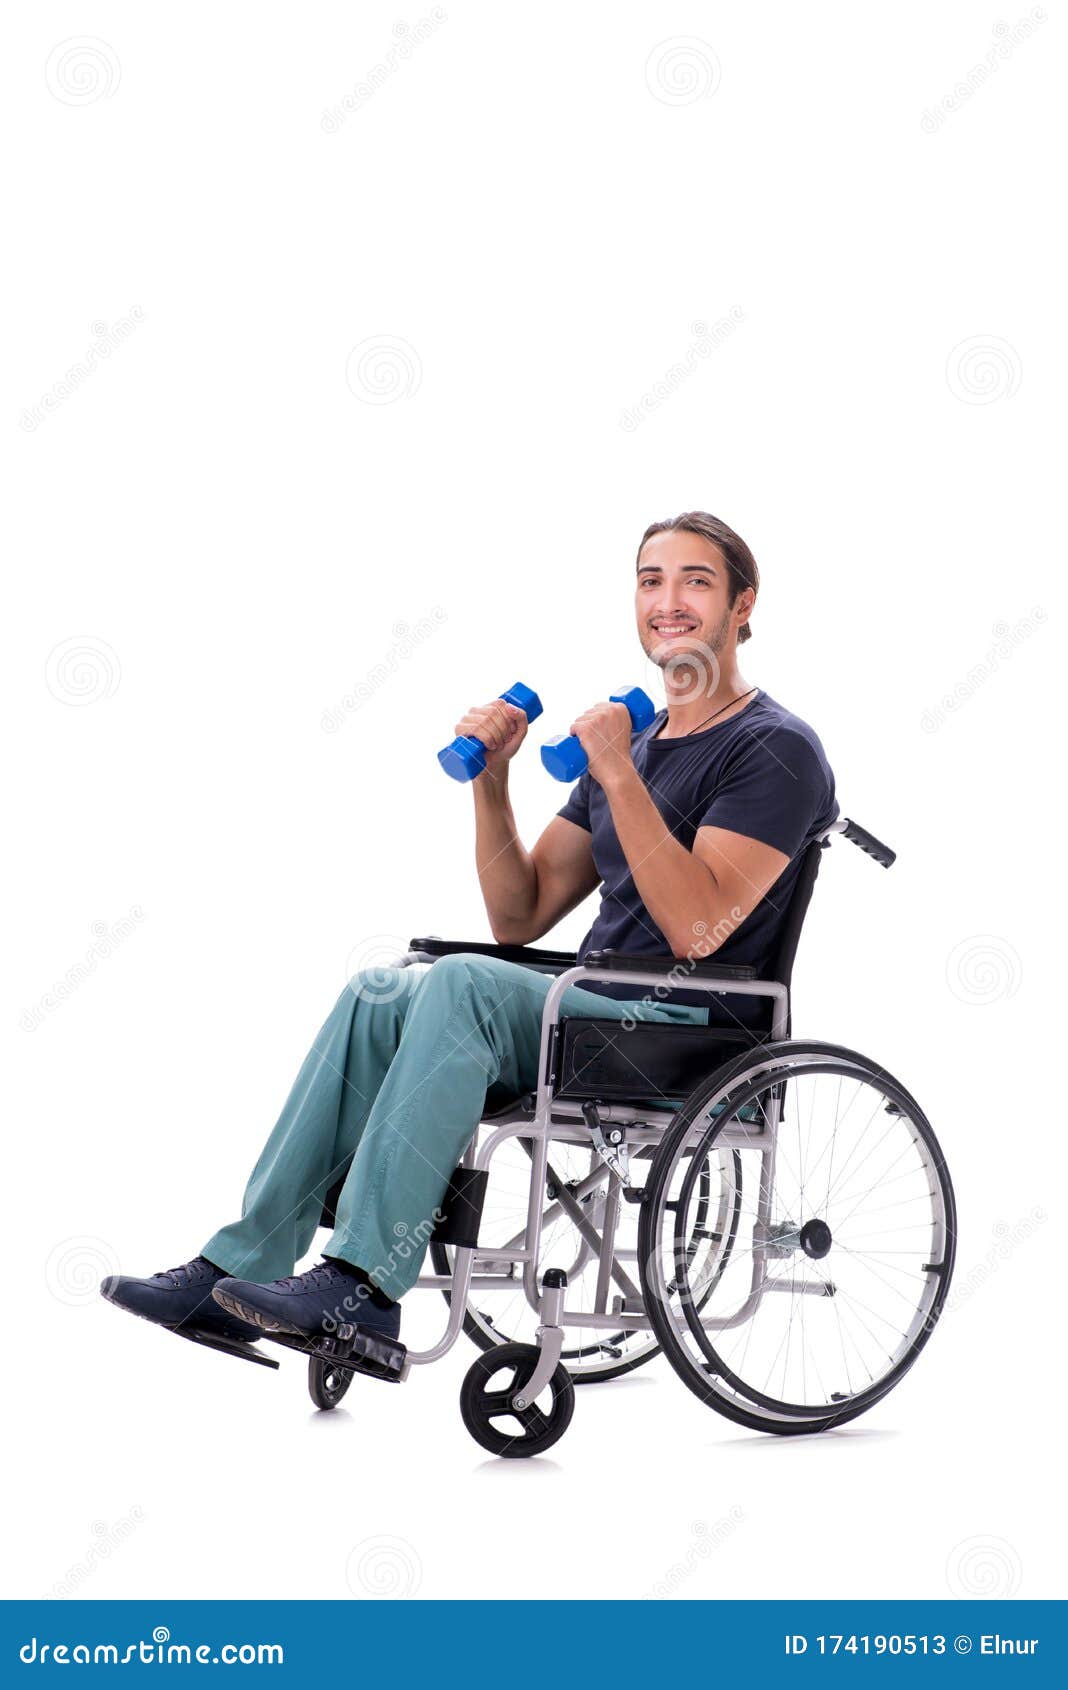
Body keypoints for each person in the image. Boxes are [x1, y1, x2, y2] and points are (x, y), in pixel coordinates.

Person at [101, 510, 838, 1354]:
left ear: (743, 605)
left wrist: (617, 770)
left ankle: (362, 1285)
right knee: (379, 991)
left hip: (688, 1030)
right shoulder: (631, 746)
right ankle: (238, 1264)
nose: (668, 601)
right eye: (650, 581)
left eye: (695, 582)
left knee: (464, 984)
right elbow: (521, 913)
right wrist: (493, 781)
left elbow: (699, 928)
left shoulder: (775, 749)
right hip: (587, 1013)